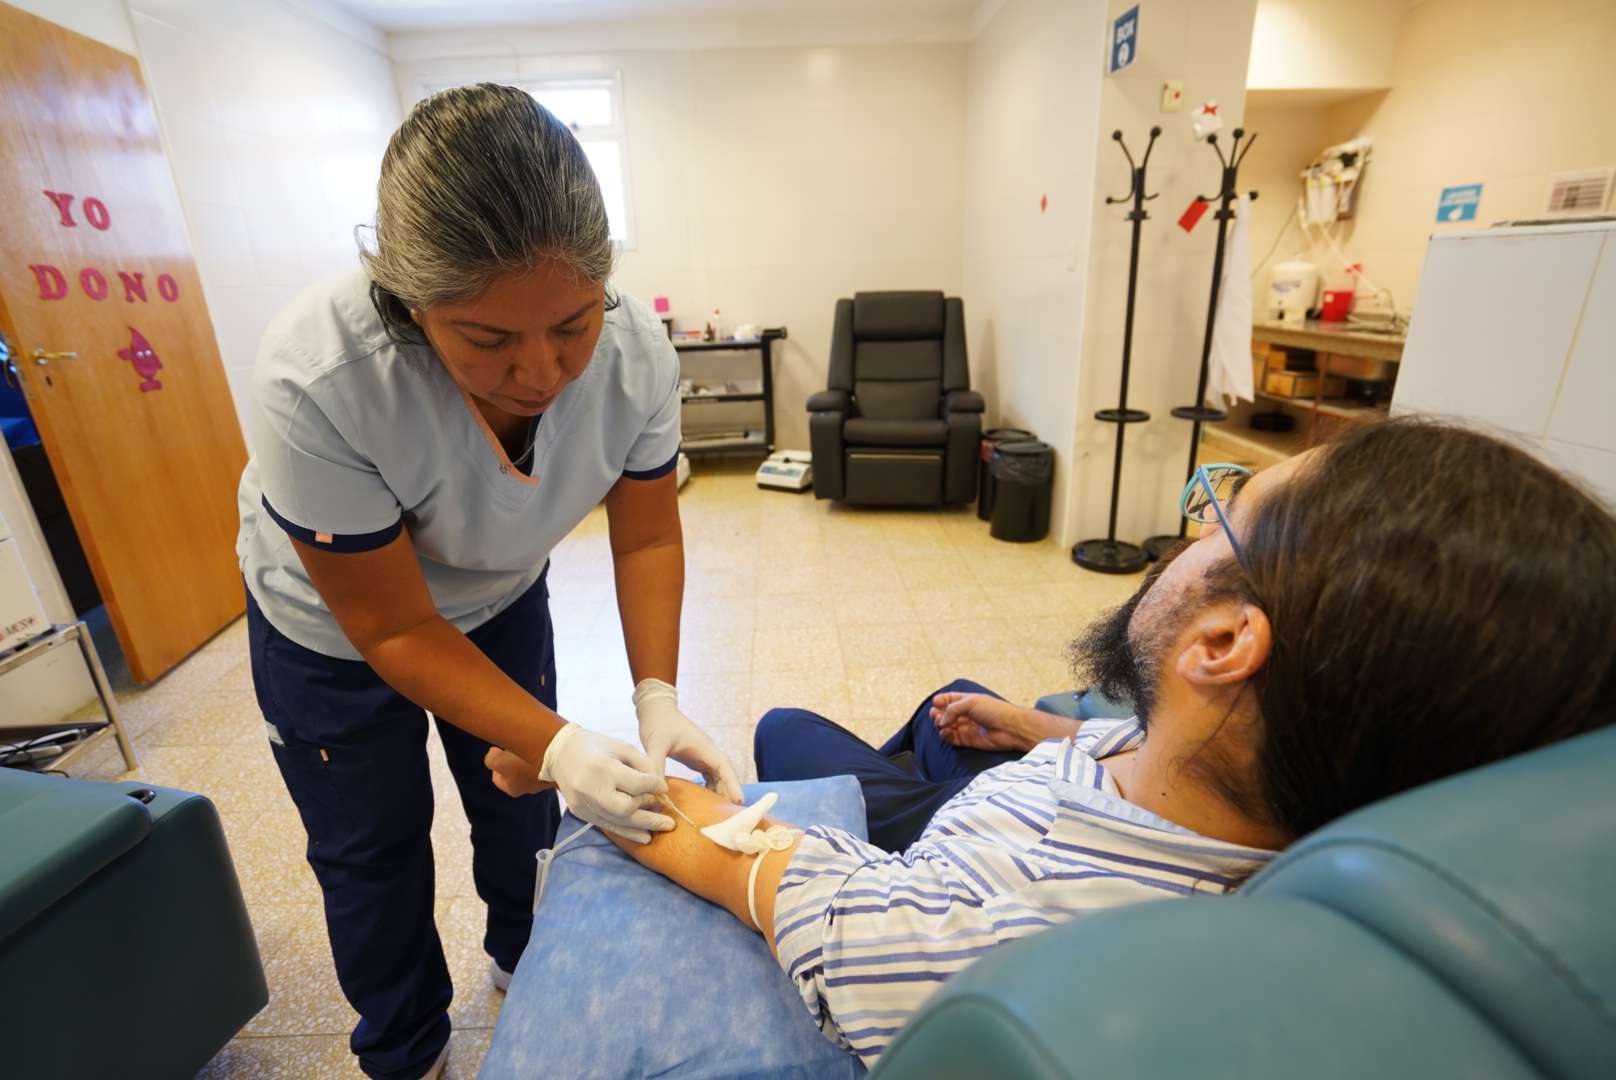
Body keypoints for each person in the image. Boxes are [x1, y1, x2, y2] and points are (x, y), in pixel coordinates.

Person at [548, 418, 1616, 1069]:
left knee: (782, 730)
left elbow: (734, 852)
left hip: (950, 857)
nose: (1184, 534)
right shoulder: (1256, 772)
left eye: (1218, 514)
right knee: (958, 701)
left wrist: (565, 756)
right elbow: (1137, 746)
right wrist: (1039, 728)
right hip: (1032, 786)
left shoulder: (984, 944)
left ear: (1222, 643)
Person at [238, 84, 740, 1080]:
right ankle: (405, 1048)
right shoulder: (320, 379)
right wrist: (559, 738)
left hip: (500, 596)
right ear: (410, 306)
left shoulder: (635, 355)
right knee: (370, 847)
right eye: (487, 340)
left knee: (517, 802)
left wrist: (656, 695)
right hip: (331, 632)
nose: (542, 373)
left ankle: (526, 957)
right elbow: (392, 629)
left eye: (573, 324)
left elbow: (645, 537)